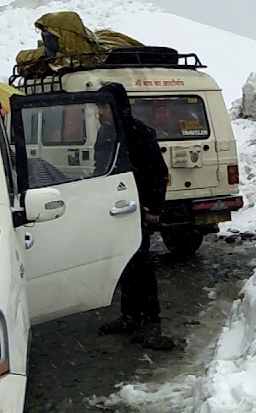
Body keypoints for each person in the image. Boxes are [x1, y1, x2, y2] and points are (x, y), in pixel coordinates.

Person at [96, 83, 175, 351]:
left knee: (142, 265)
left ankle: (151, 322)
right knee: (125, 265)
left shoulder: (139, 133)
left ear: (117, 107)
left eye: (103, 107)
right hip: (114, 209)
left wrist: (153, 209)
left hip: (138, 209)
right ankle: (130, 316)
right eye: (98, 107)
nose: (99, 112)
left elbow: (157, 173)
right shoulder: (106, 134)